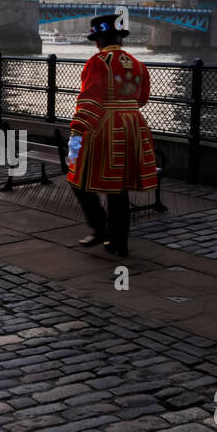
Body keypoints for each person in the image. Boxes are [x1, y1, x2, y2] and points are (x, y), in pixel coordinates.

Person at [67, 13, 158, 255]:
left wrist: (76, 132)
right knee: (120, 188)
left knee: (77, 177)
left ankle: (100, 228)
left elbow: (89, 99)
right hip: (134, 126)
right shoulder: (138, 64)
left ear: (98, 40)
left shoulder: (98, 61)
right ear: (121, 38)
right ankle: (119, 244)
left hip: (104, 126)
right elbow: (142, 99)